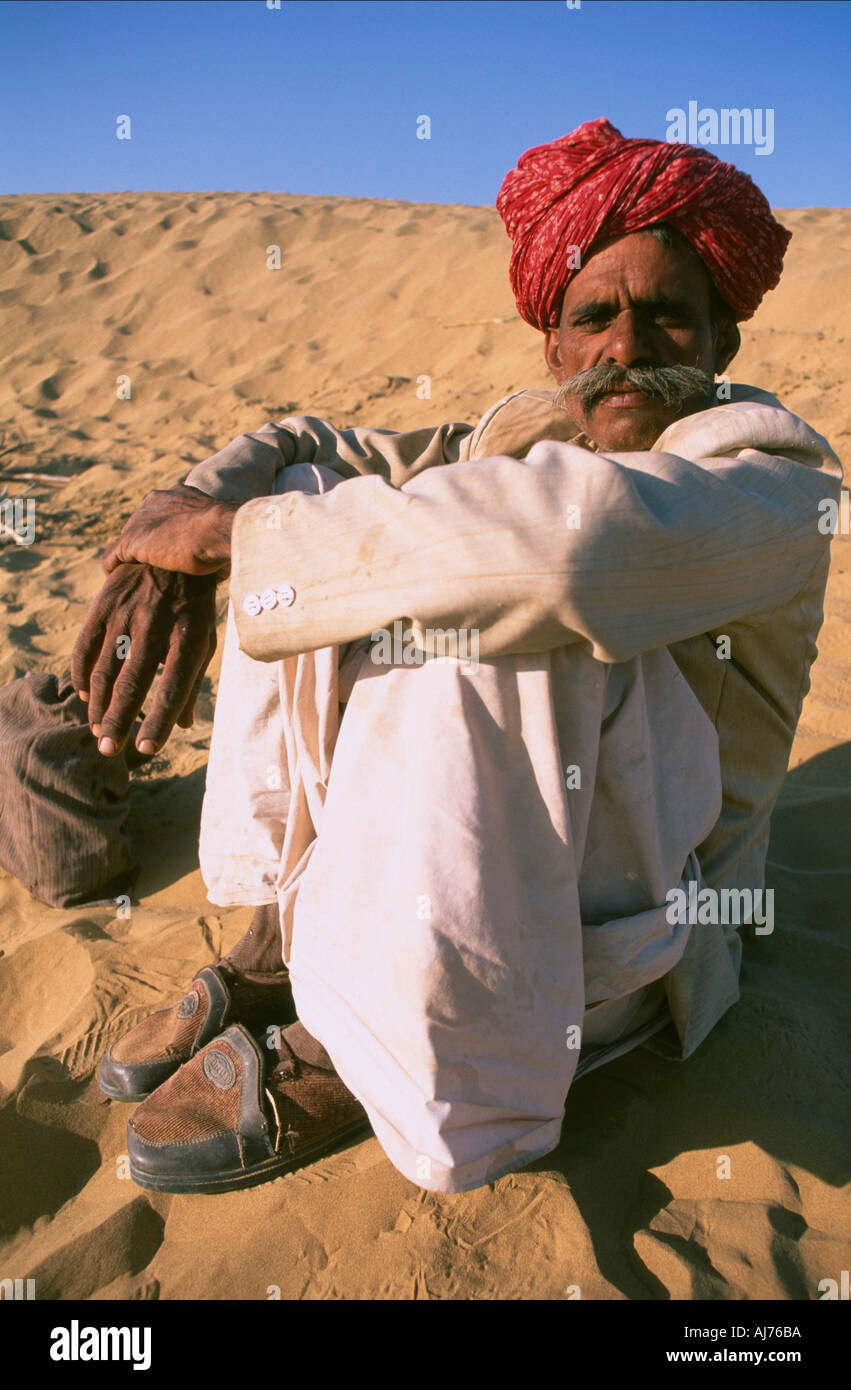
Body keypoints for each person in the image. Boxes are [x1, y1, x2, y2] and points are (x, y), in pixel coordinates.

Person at [71, 119, 840, 1194]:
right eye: (594, 318)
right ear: (554, 348)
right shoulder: (533, 439)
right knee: (308, 507)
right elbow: (308, 446)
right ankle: (281, 941)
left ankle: (384, 1039)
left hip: (619, 949)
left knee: (491, 605)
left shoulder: (769, 484)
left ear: (720, 349)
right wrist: (192, 519)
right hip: (487, 876)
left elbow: (566, 554)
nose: (626, 348)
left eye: (665, 317)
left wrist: (234, 550)